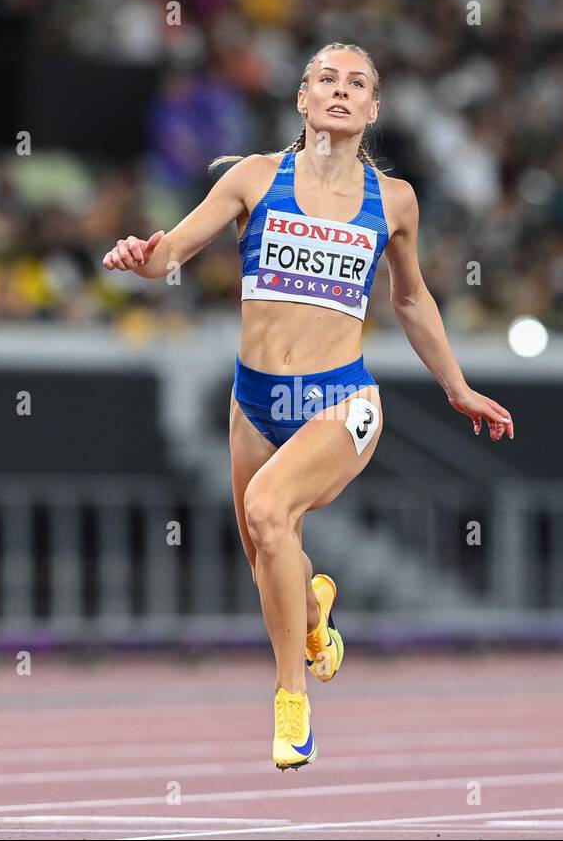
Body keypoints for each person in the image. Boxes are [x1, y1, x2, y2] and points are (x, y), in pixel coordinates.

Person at [103, 42, 514, 769]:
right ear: (302, 98)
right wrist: (145, 256)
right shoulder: (253, 180)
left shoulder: (395, 201)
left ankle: (291, 699)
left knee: (267, 513)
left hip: (341, 400)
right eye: (327, 78)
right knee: (266, 556)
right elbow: (174, 254)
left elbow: (411, 297)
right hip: (255, 400)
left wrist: (456, 385)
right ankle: (317, 614)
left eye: (358, 83)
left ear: (374, 109)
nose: (341, 91)